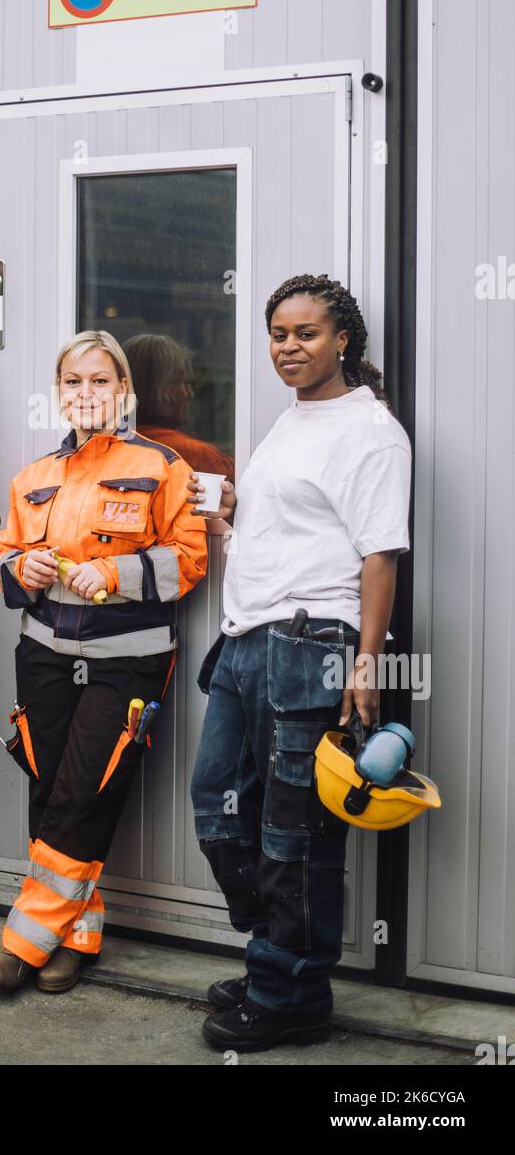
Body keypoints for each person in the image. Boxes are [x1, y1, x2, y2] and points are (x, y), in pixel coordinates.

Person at [189, 274, 411, 1053]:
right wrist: (232, 518)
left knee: (296, 834)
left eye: (307, 333)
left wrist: (365, 669)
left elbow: (379, 555)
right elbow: (294, 523)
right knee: (218, 803)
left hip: (313, 644)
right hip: (248, 639)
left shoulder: (371, 430)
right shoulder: (291, 420)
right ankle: (271, 958)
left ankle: (292, 992)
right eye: (279, 333)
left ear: (342, 339)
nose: (289, 347)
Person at [0, 329, 208, 994]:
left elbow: (188, 559)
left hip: (129, 661)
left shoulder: (165, 467)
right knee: (51, 789)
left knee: (87, 787)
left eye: (100, 381)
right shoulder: (34, 478)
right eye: (73, 382)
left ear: (125, 391)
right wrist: (21, 564)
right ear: (59, 394)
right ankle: (73, 938)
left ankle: (23, 941)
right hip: (43, 654)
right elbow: (0, 562)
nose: (86, 393)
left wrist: (116, 571)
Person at [123, 333, 235, 481]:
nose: (190, 393)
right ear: (160, 388)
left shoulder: (106, 448)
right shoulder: (197, 455)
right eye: (184, 382)